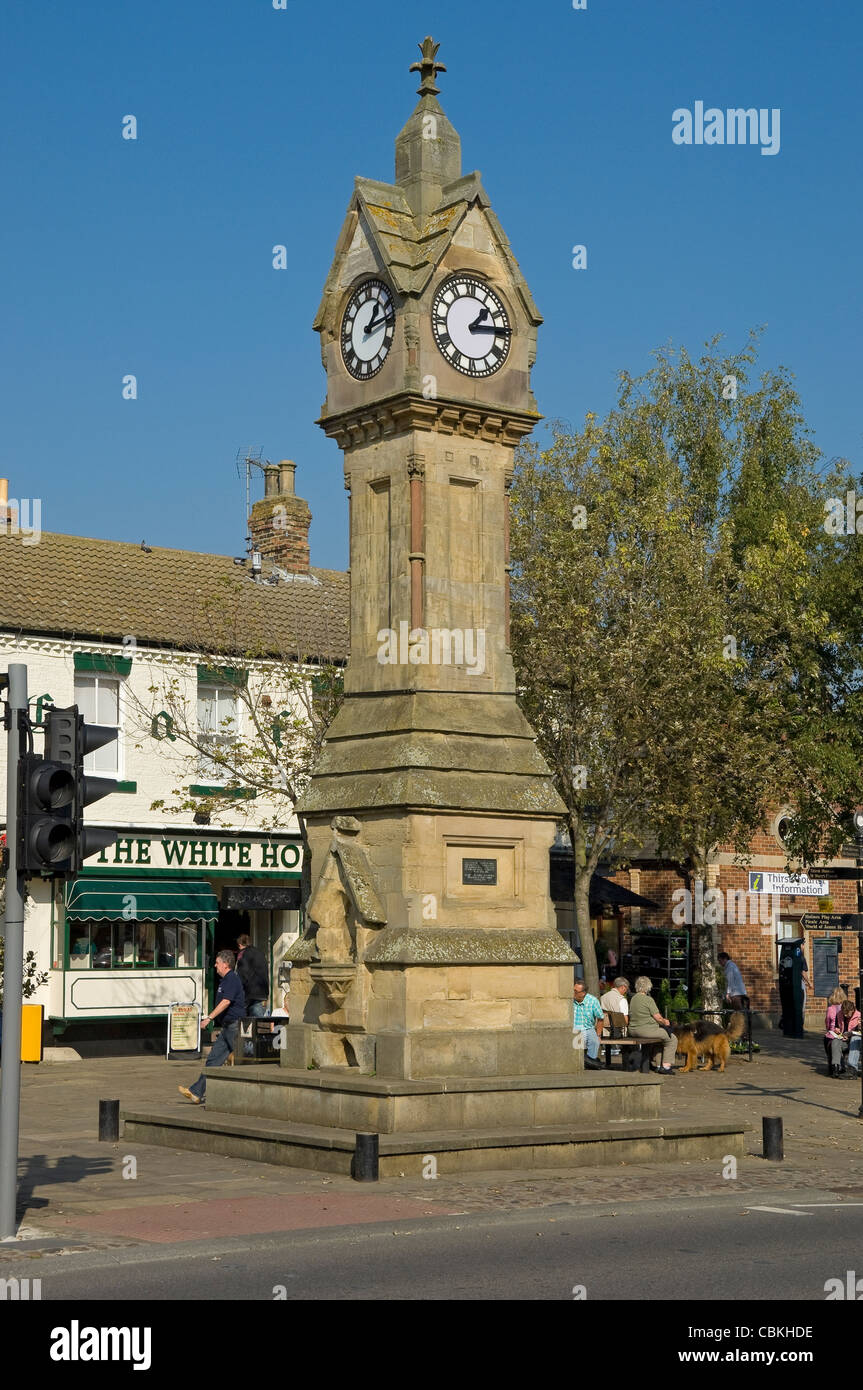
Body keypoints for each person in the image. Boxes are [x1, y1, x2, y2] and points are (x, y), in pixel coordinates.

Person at [178, 950, 246, 1104]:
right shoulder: (226, 980)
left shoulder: (232, 979)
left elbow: (226, 1002)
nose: (215, 966)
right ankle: (196, 1093)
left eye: (217, 963)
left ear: (226, 964)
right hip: (227, 1027)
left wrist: (209, 1018)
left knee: (244, 1061)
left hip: (235, 1026)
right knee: (213, 1060)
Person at [628, 975, 678, 1074]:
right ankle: (666, 1067)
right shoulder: (648, 999)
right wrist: (665, 1021)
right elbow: (658, 1017)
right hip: (646, 1031)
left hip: (633, 1030)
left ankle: (659, 1065)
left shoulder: (633, 999)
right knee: (672, 1039)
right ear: (648, 986)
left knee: (660, 1041)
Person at [572, 978, 604, 1069]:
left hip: (589, 1028)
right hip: (575, 1028)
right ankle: (584, 1064)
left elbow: (601, 1018)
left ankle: (591, 1063)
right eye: (573, 990)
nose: (573, 993)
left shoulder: (593, 1001)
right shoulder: (569, 1000)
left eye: (576, 991)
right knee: (576, 1039)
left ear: (583, 993)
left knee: (594, 1041)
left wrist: (598, 1034)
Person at [236, 933, 269, 1018]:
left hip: (249, 993)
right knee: (258, 1023)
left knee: (242, 1021)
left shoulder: (243, 954)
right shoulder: (260, 953)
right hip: (262, 992)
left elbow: (243, 974)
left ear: (239, 945)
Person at [823, 986, 847, 1077]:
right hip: (842, 1034)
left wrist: (829, 1030)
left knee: (827, 1040)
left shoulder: (830, 1009)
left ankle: (832, 1067)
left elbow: (828, 1024)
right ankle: (840, 1065)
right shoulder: (845, 1008)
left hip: (832, 1035)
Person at [843, 999, 862, 1078]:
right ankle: (852, 1069)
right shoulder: (840, 1015)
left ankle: (852, 1068)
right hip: (849, 1038)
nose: (845, 1015)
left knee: (855, 1039)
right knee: (855, 1038)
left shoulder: (858, 1015)